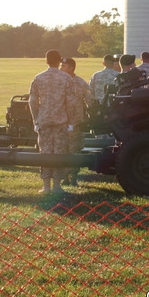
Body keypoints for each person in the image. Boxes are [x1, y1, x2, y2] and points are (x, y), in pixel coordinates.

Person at [29, 50, 73, 195]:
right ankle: (57, 186)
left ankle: (46, 186)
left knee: (45, 153)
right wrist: (71, 121)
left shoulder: (38, 78)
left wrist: (36, 119)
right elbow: (71, 103)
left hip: (44, 121)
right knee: (59, 153)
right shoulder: (66, 78)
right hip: (61, 121)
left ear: (46, 61)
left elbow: (33, 102)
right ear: (59, 61)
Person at [60, 57, 91, 187]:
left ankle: (73, 177)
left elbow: (90, 100)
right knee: (62, 149)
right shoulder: (59, 81)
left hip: (76, 123)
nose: (61, 68)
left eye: (64, 66)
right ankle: (64, 177)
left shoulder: (81, 83)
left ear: (71, 67)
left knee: (75, 149)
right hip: (61, 122)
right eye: (61, 65)